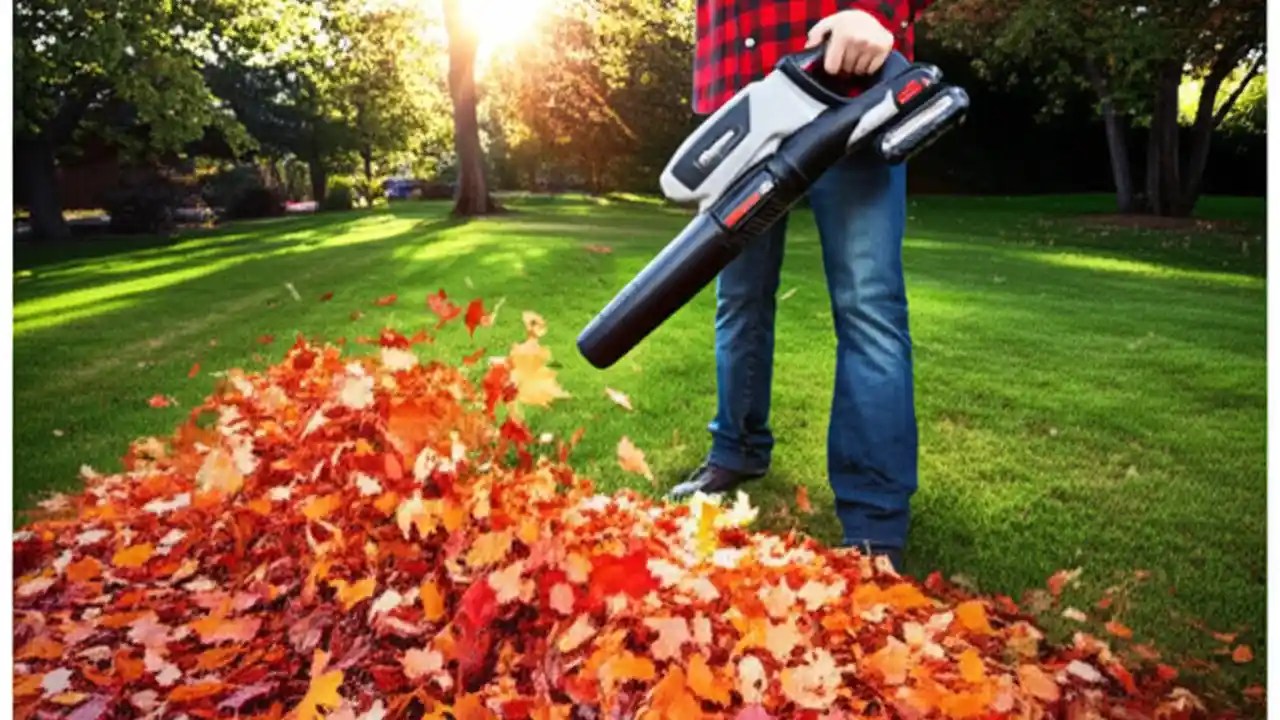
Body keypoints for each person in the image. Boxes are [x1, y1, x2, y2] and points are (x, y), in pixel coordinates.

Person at [668, 1, 937, 571]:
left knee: (868, 304)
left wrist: (875, 14)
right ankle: (736, 450)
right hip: (739, 98)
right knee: (738, 297)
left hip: (849, 77)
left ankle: (874, 520)